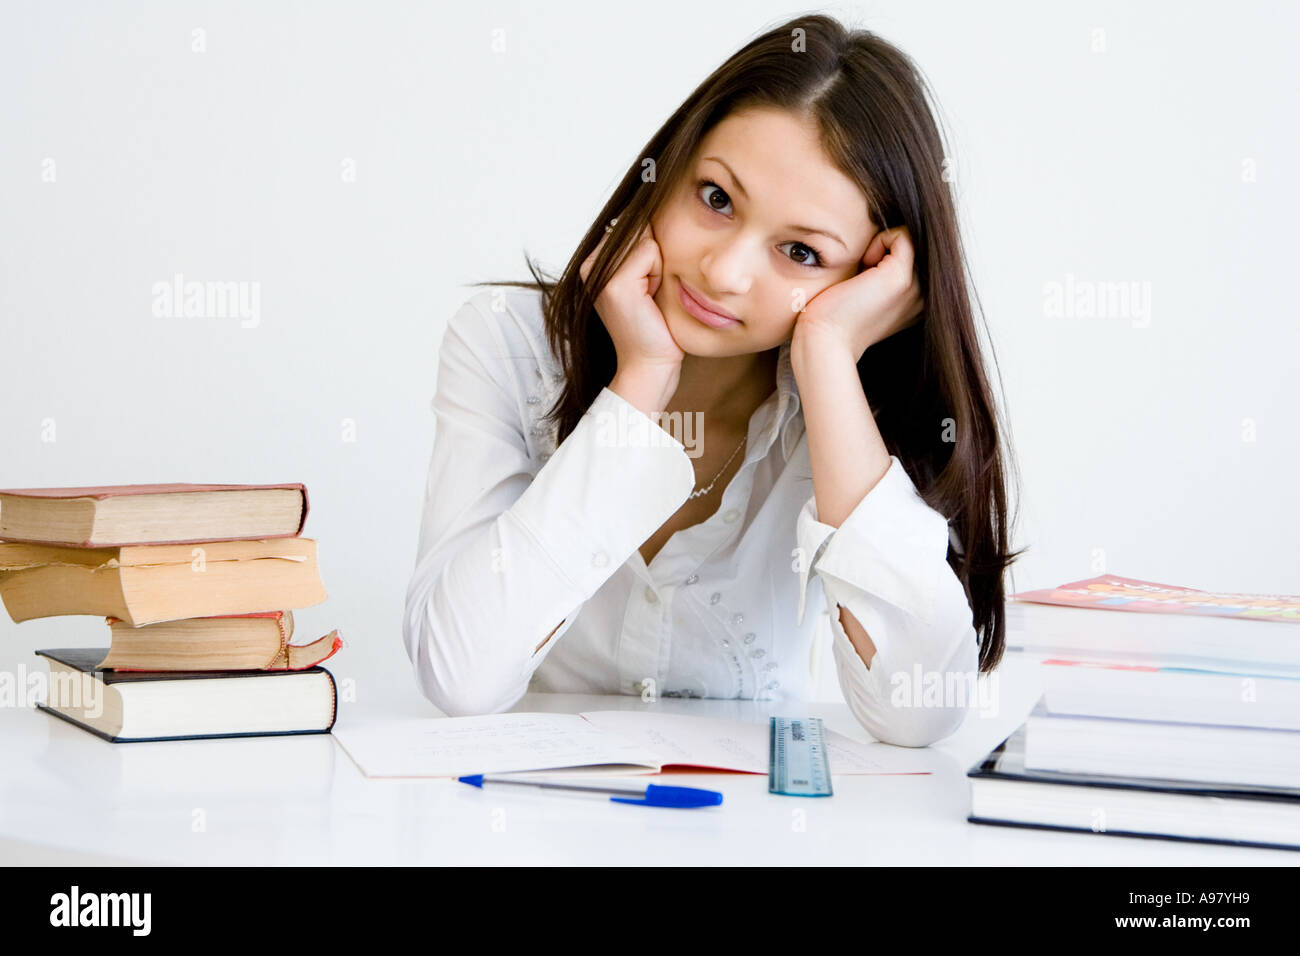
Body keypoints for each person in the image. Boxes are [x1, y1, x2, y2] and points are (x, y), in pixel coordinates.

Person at [403, 13, 1024, 747]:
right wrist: (642, 379)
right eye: (717, 198)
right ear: (669, 166)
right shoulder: (506, 344)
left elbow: (919, 715)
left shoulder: (851, 412)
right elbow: (458, 676)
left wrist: (825, 352)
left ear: (870, 277)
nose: (725, 273)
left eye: (800, 251)